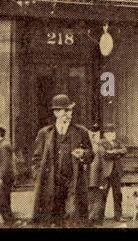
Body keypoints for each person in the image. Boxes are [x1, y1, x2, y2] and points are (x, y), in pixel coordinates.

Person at [29, 94, 94, 226]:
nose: (68, 113)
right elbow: (36, 158)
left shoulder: (81, 131)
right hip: (51, 184)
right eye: (64, 110)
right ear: (56, 112)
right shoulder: (45, 133)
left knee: (73, 218)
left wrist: (83, 153)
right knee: (52, 218)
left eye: (69, 110)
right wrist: (38, 177)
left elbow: (91, 154)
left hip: (74, 182)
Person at [88, 123, 126, 223]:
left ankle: (118, 216)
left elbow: (124, 150)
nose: (112, 135)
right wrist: (117, 153)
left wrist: (113, 152)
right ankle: (100, 217)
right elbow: (105, 155)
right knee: (103, 194)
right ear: (105, 134)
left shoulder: (117, 142)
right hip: (105, 172)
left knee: (118, 194)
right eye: (109, 133)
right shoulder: (100, 143)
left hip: (116, 172)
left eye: (113, 132)